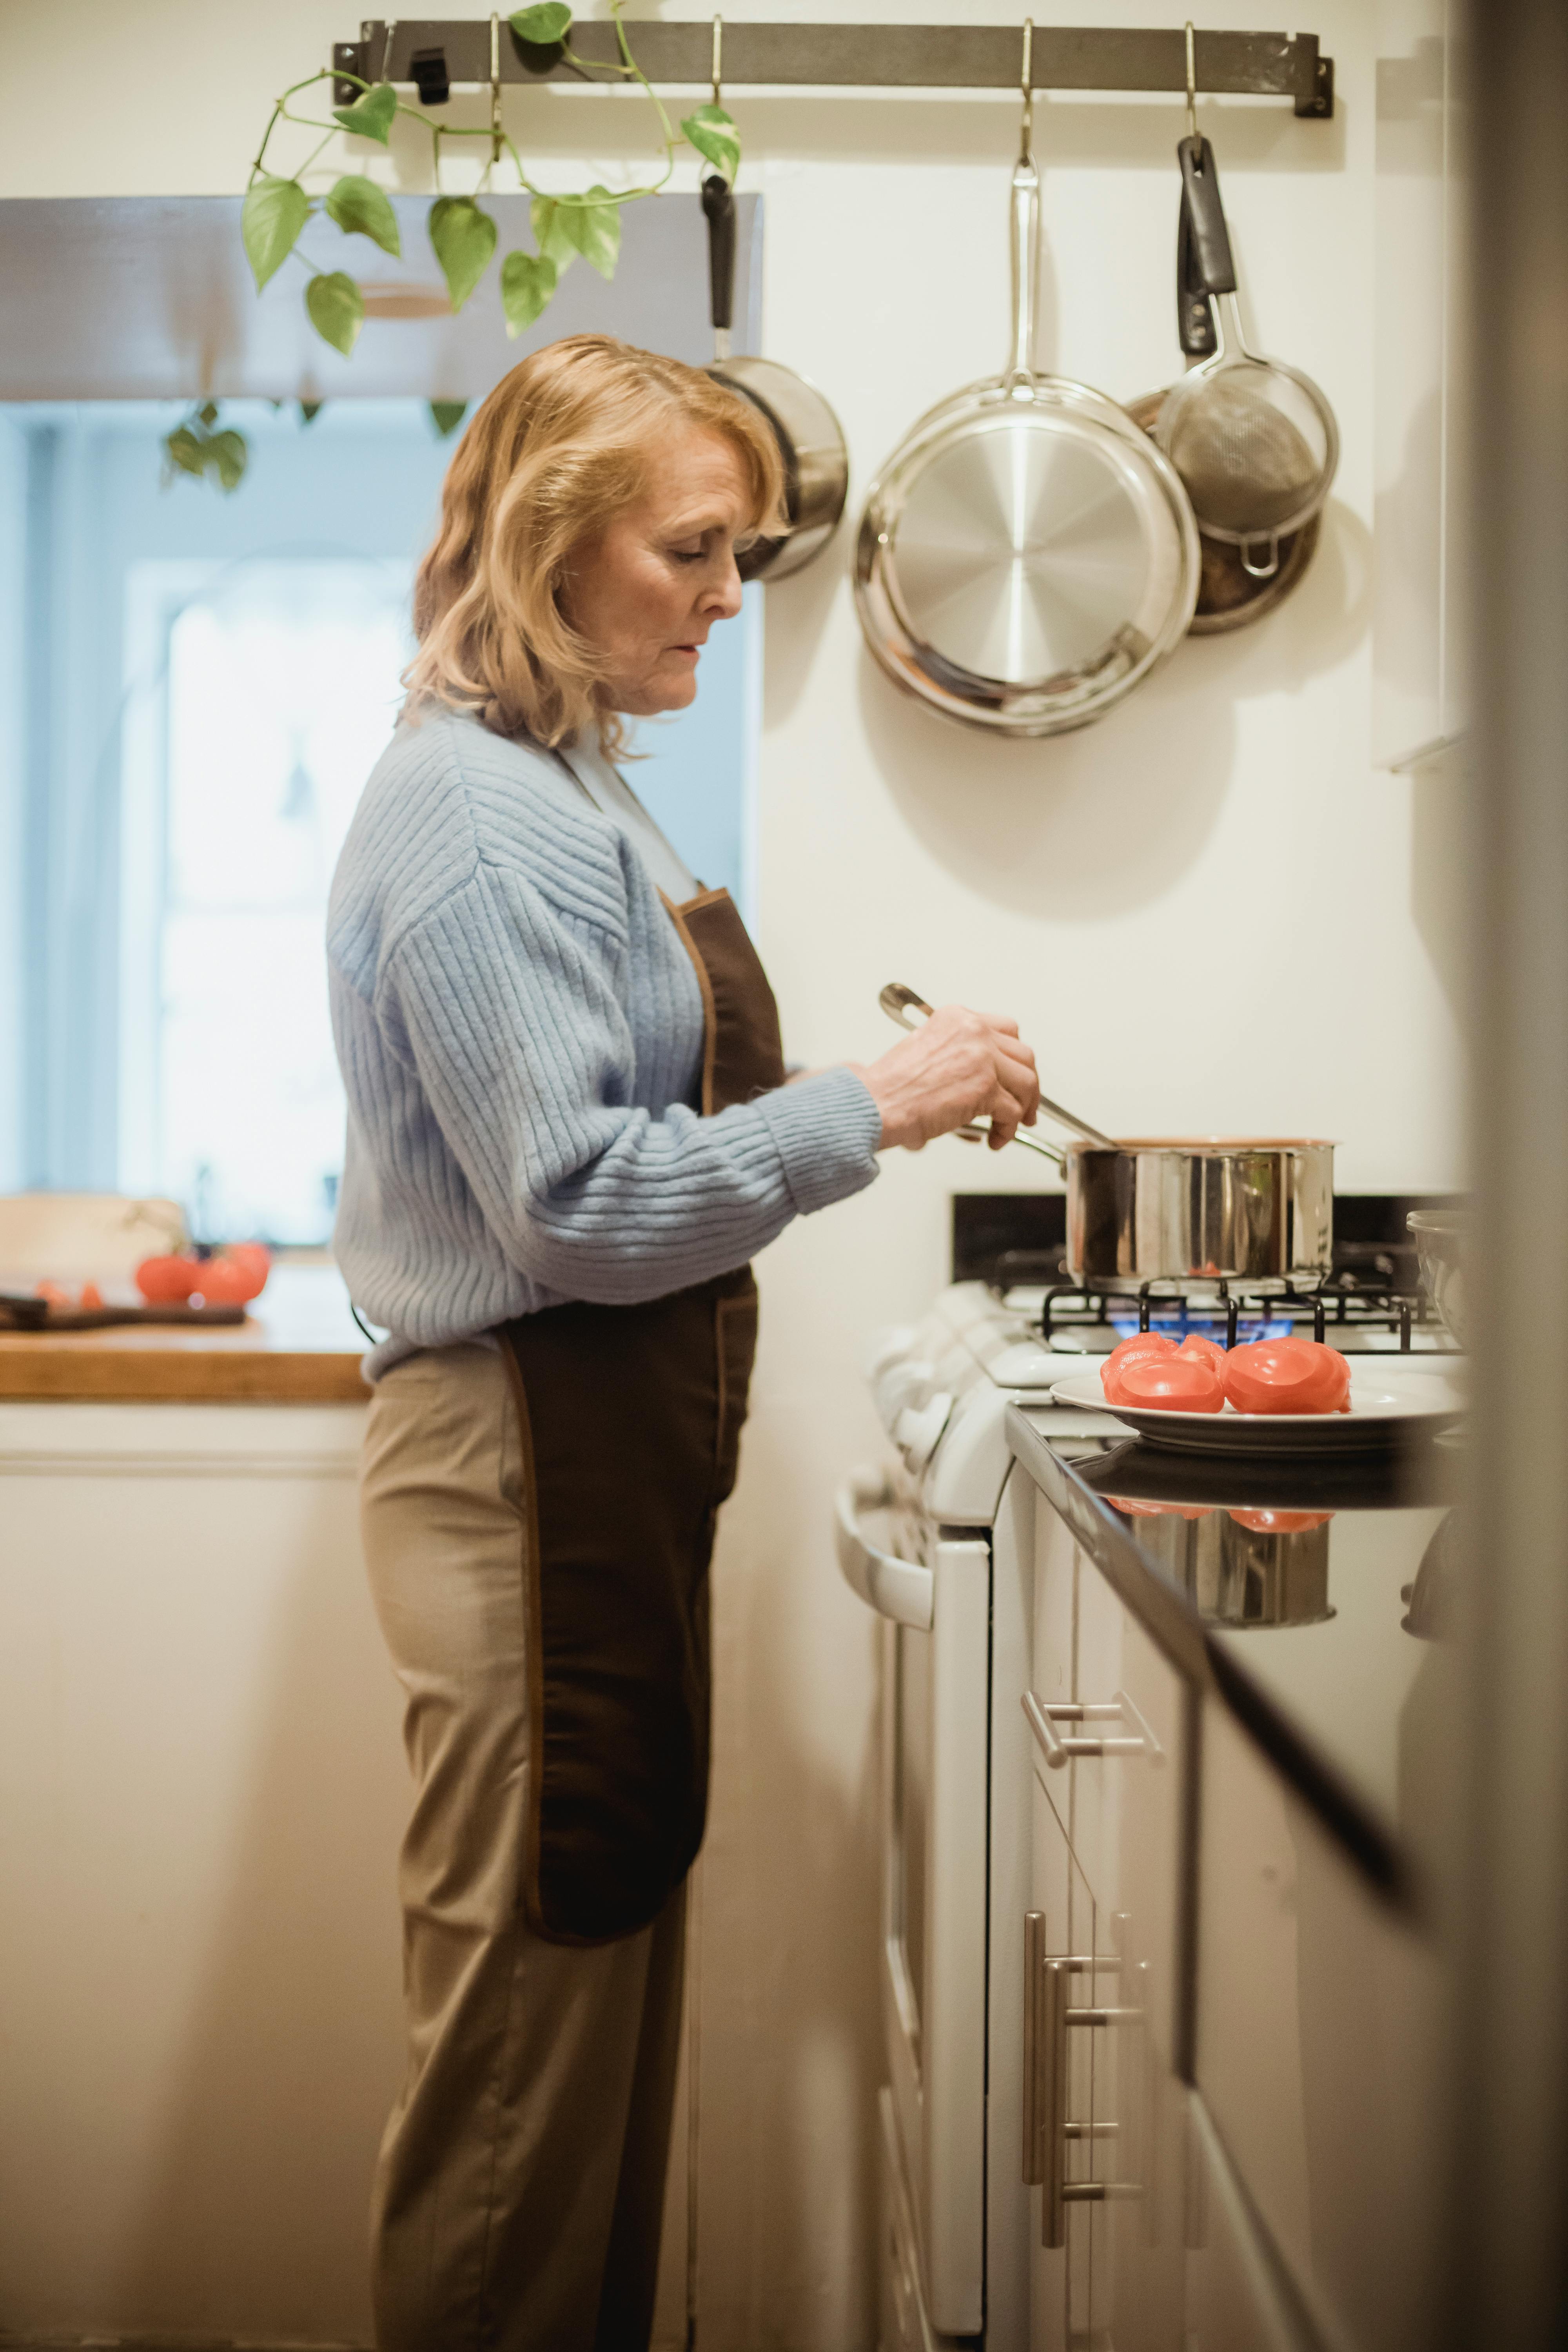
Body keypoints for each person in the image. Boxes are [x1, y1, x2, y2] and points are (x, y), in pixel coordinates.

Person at [327, 332, 1039, 2352]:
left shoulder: (572, 792)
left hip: (594, 1472)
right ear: (552, 548)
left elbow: (627, 1128)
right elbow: (575, 1206)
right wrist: (873, 1107)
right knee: (520, 2079)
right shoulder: (480, 817)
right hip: (520, 1469)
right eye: (696, 551)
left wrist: (869, 1088)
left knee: (599, 1966)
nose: (734, 596)